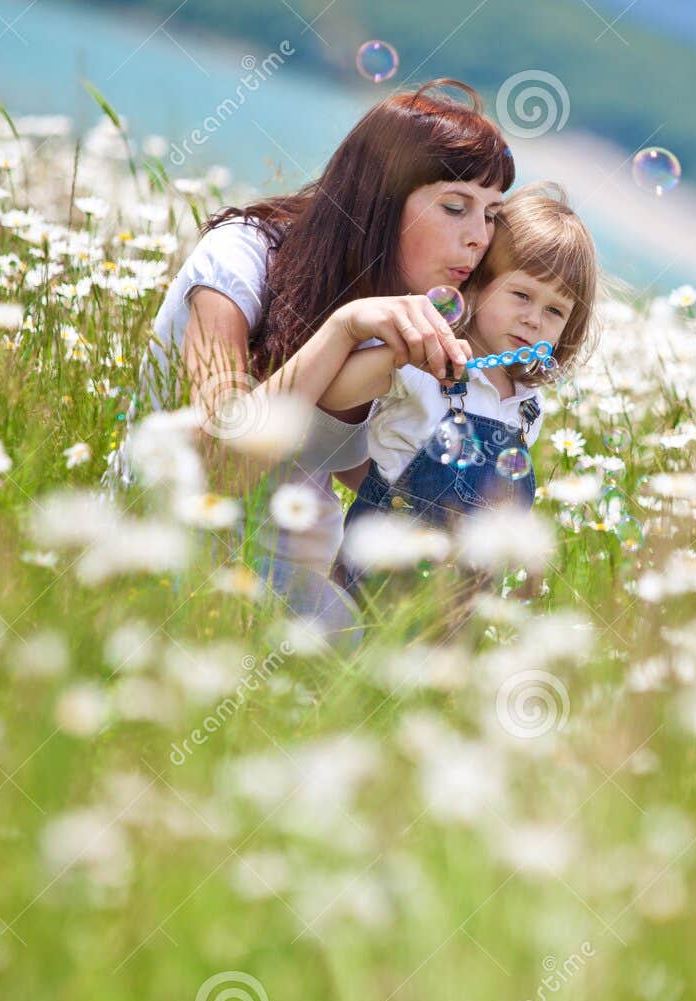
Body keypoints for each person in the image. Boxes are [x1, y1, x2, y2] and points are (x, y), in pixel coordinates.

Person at [116, 79, 511, 635]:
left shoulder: (398, 316)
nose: (479, 238)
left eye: (492, 215)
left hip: (292, 587)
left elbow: (353, 466)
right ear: (381, 197)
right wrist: (344, 330)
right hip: (161, 551)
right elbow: (219, 467)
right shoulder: (240, 259)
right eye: (455, 207)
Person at [316, 183, 599, 599]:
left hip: (455, 622)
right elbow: (334, 396)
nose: (534, 319)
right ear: (477, 286)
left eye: (554, 310)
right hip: (370, 600)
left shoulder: (527, 409)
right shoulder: (427, 370)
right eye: (521, 294)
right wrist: (398, 356)